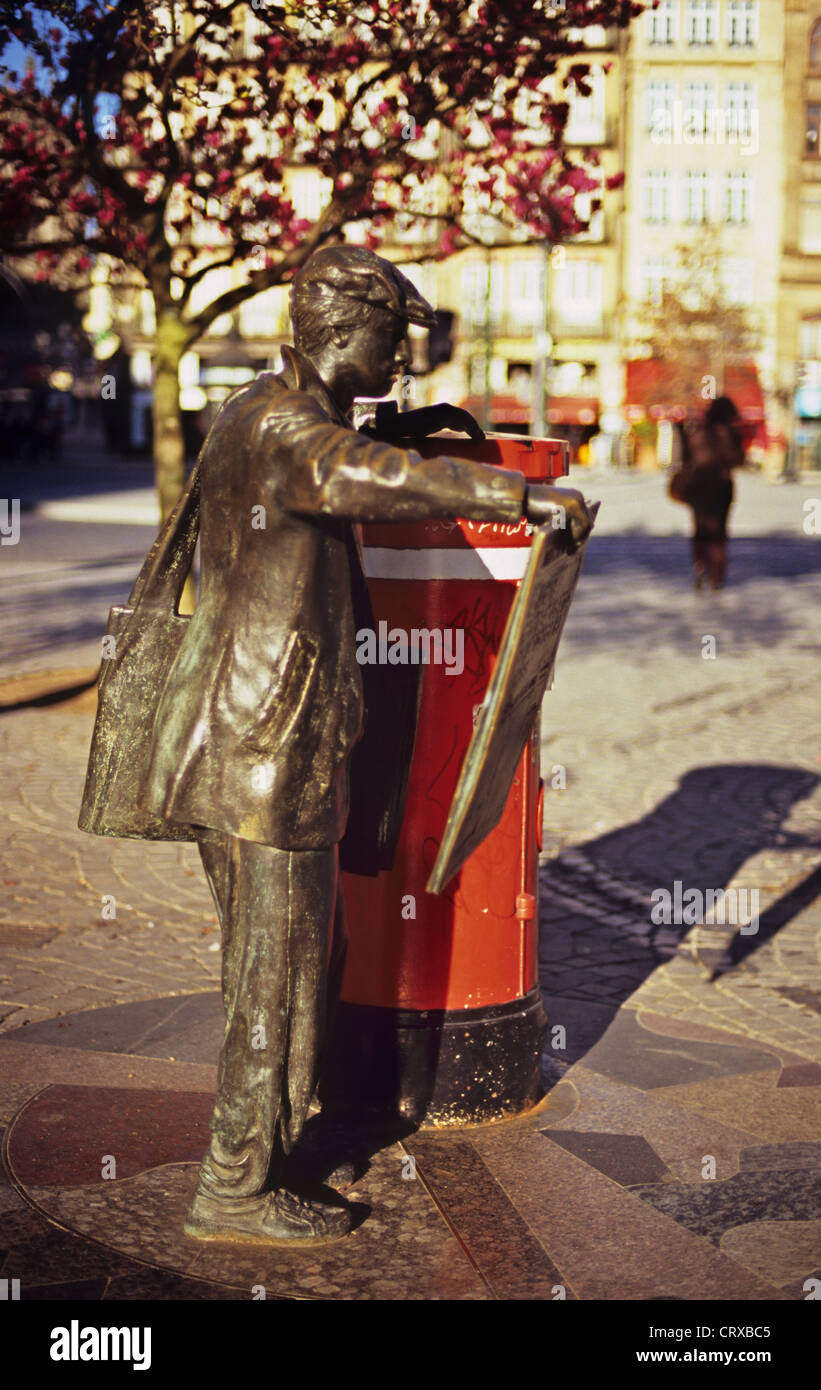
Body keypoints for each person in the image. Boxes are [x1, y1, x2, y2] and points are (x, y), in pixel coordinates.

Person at [139, 245, 593, 1247]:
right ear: (348, 326)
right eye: (396, 333)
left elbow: (350, 452)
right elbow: (351, 471)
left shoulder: (276, 409)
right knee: (274, 972)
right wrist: (515, 497)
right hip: (261, 748)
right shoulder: (280, 428)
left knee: (296, 964)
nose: (404, 352)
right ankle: (231, 1188)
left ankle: (263, 1154)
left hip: (267, 742)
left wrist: (426, 438)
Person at [682, 396, 745, 590]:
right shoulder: (730, 434)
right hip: (721, 485)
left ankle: (700, 567)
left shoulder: (698, 432)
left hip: (698, 486)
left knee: (700, 531)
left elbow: (686, 458)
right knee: (718, 534)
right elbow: (739, 460)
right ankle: (717, 578)